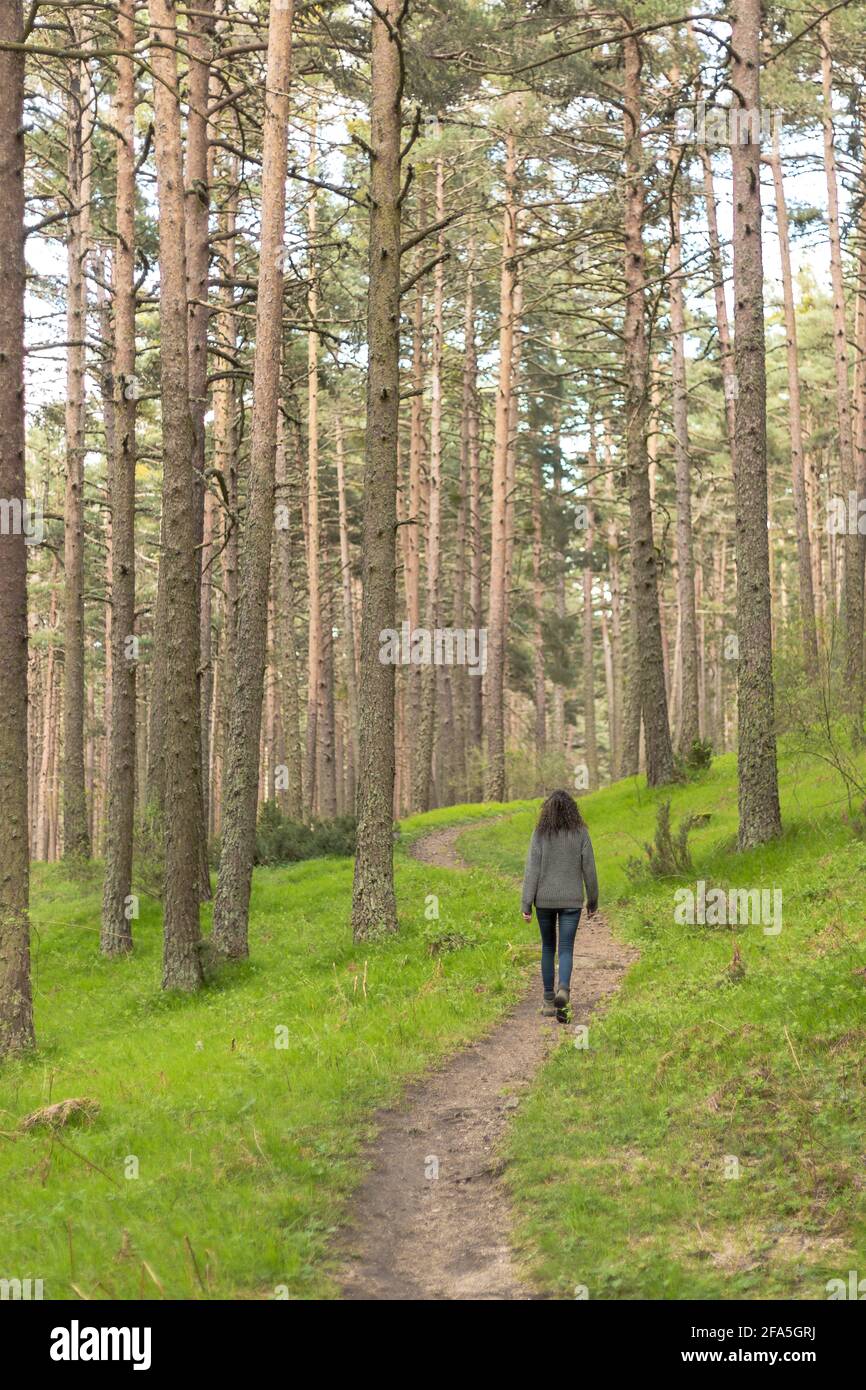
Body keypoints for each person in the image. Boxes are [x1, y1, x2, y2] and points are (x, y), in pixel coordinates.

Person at [521, 789, 598, 1019]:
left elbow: (531, 870)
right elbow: (590, 869)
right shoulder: (581, 833)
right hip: (571, 901)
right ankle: (563, 989)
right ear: (573, 811)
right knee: (566, 949)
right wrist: (592, 900)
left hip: (544, 901)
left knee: (547, 947)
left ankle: (547, 1001)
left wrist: (526, 904)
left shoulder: (540, 834)